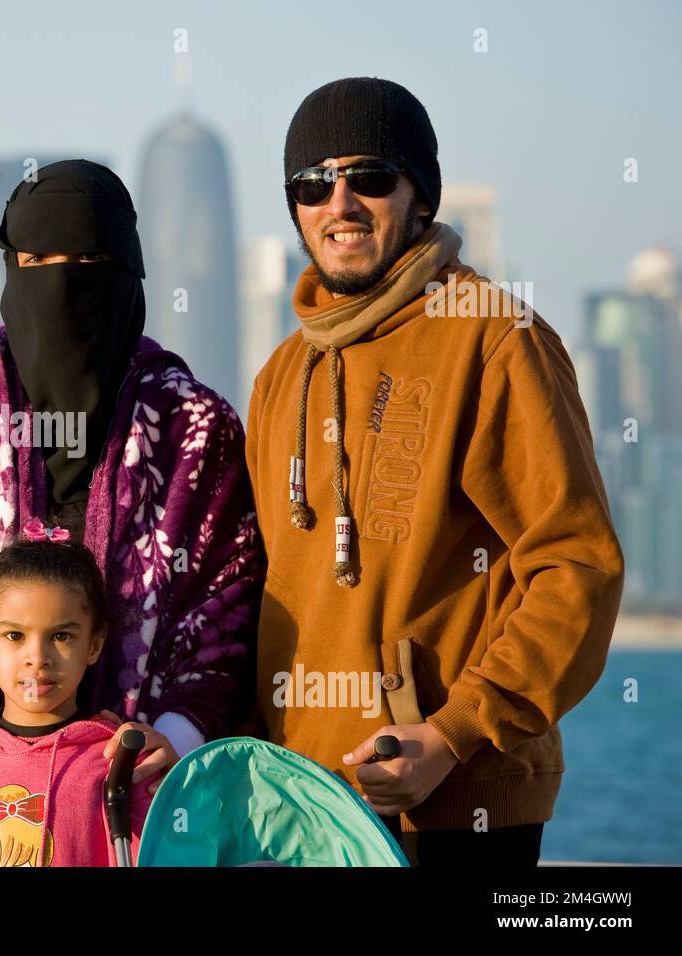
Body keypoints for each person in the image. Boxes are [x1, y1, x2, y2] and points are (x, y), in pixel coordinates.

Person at [244, 77, 625, 866]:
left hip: (457, 808)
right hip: (301, 810)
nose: (340, 203)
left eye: (371, 177)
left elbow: (576, 566)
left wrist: (453, 736)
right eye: (313, 185)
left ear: (421, 195)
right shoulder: (282, 373)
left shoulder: (496, 339)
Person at [0, 159, 264, 865]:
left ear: (128, 272)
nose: (63, 286)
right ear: (10, 271)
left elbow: (232, 598)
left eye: (89, 262)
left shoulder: (197, 429)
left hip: (155, 803)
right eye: (39, 260)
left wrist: (179, 733)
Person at [0, 523, 154, 866]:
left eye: (61, 637)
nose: (37, 658)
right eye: (14, 636)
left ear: (95, 644)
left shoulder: (123, 764)